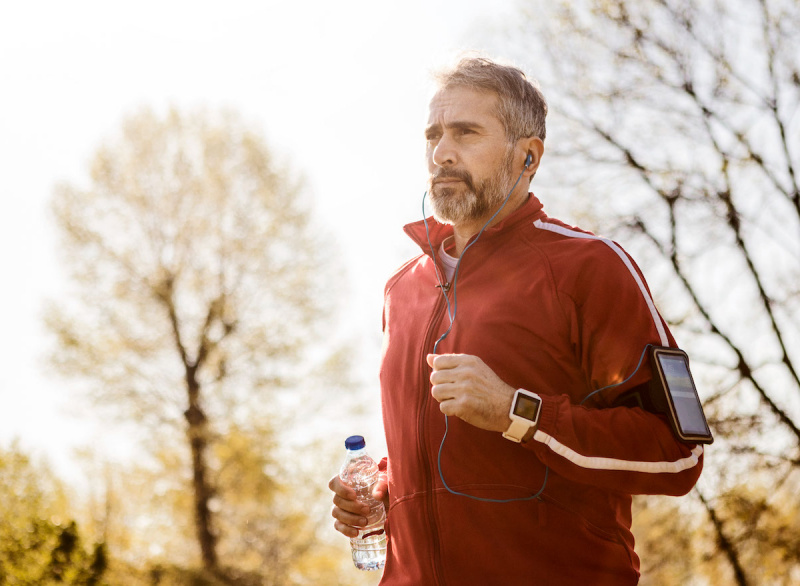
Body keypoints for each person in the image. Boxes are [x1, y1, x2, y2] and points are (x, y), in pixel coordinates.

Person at [329, 56, 704, 585]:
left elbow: (677, 456)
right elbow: (451, 461)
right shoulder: (401, 289)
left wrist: (516, 411)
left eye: (466, 133)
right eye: (433, 135)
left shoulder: (591, 267)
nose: (441, 153)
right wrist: (385, 490)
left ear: (527, 156)